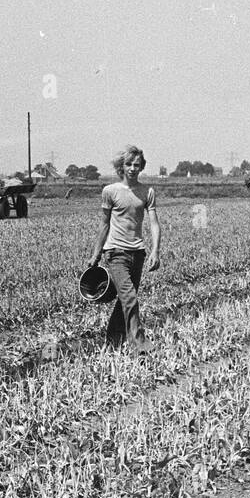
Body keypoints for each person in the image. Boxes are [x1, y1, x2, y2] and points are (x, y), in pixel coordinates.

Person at [87, 144, 161, 351]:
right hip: (115, 252)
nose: (132, 168)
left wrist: (155, 251)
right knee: (130, 297)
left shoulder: (147, 192)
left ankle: (112, 342)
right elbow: (104, 224)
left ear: (142, 167)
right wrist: (96, 254)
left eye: (137, 164)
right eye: (128, 164)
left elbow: (154, 223)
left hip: (137, 253)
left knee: (124, 300)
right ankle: (141, 344)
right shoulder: (110, 191)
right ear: (121, 166)